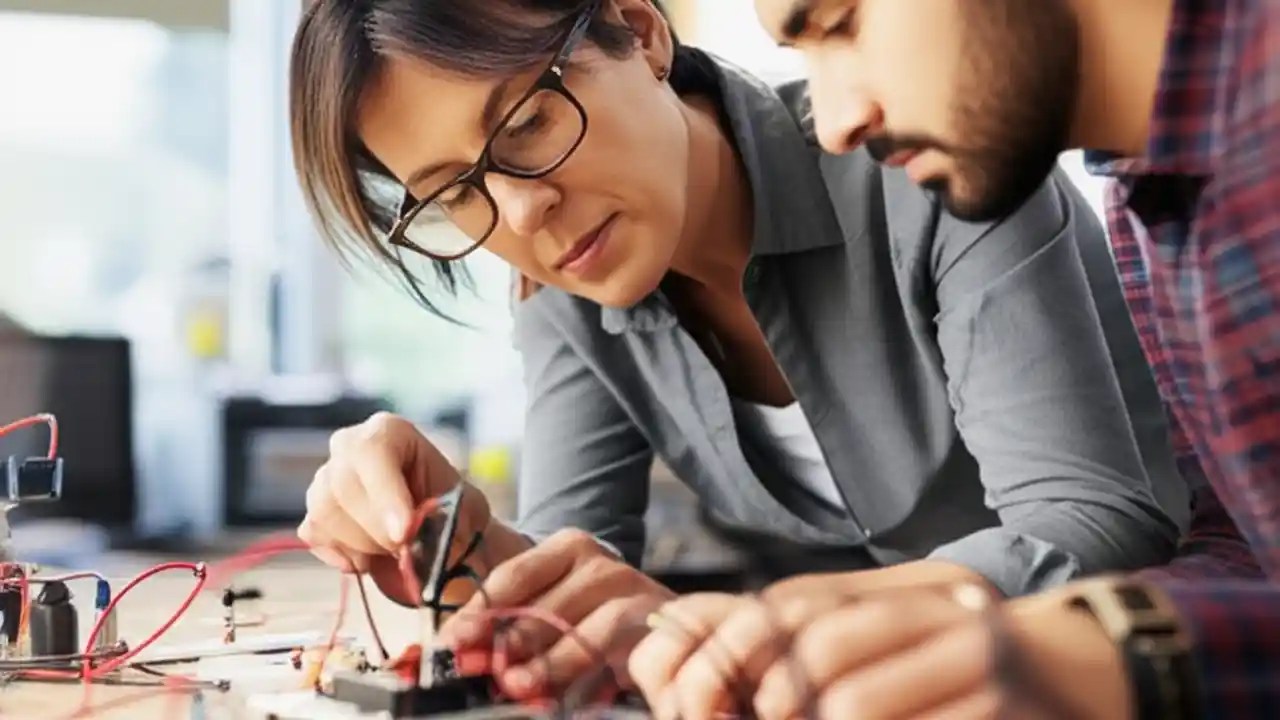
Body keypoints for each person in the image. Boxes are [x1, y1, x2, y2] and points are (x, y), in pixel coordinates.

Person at [287, 0, 1186, 702]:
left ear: (640, 35)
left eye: (524, 124)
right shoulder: (564, 295)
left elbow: (1093, 522)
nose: (522, 214)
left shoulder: (918, 150)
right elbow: (583, 573)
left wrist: (755, 627)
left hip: (1164, 658)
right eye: (454, 194)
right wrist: (460, 535)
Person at [629, 0, 1280, 718]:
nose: (839, 122)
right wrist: (1072, 638)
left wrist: (1124, 659)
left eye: (843, 22)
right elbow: (1249, 551)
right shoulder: (1151, 195)